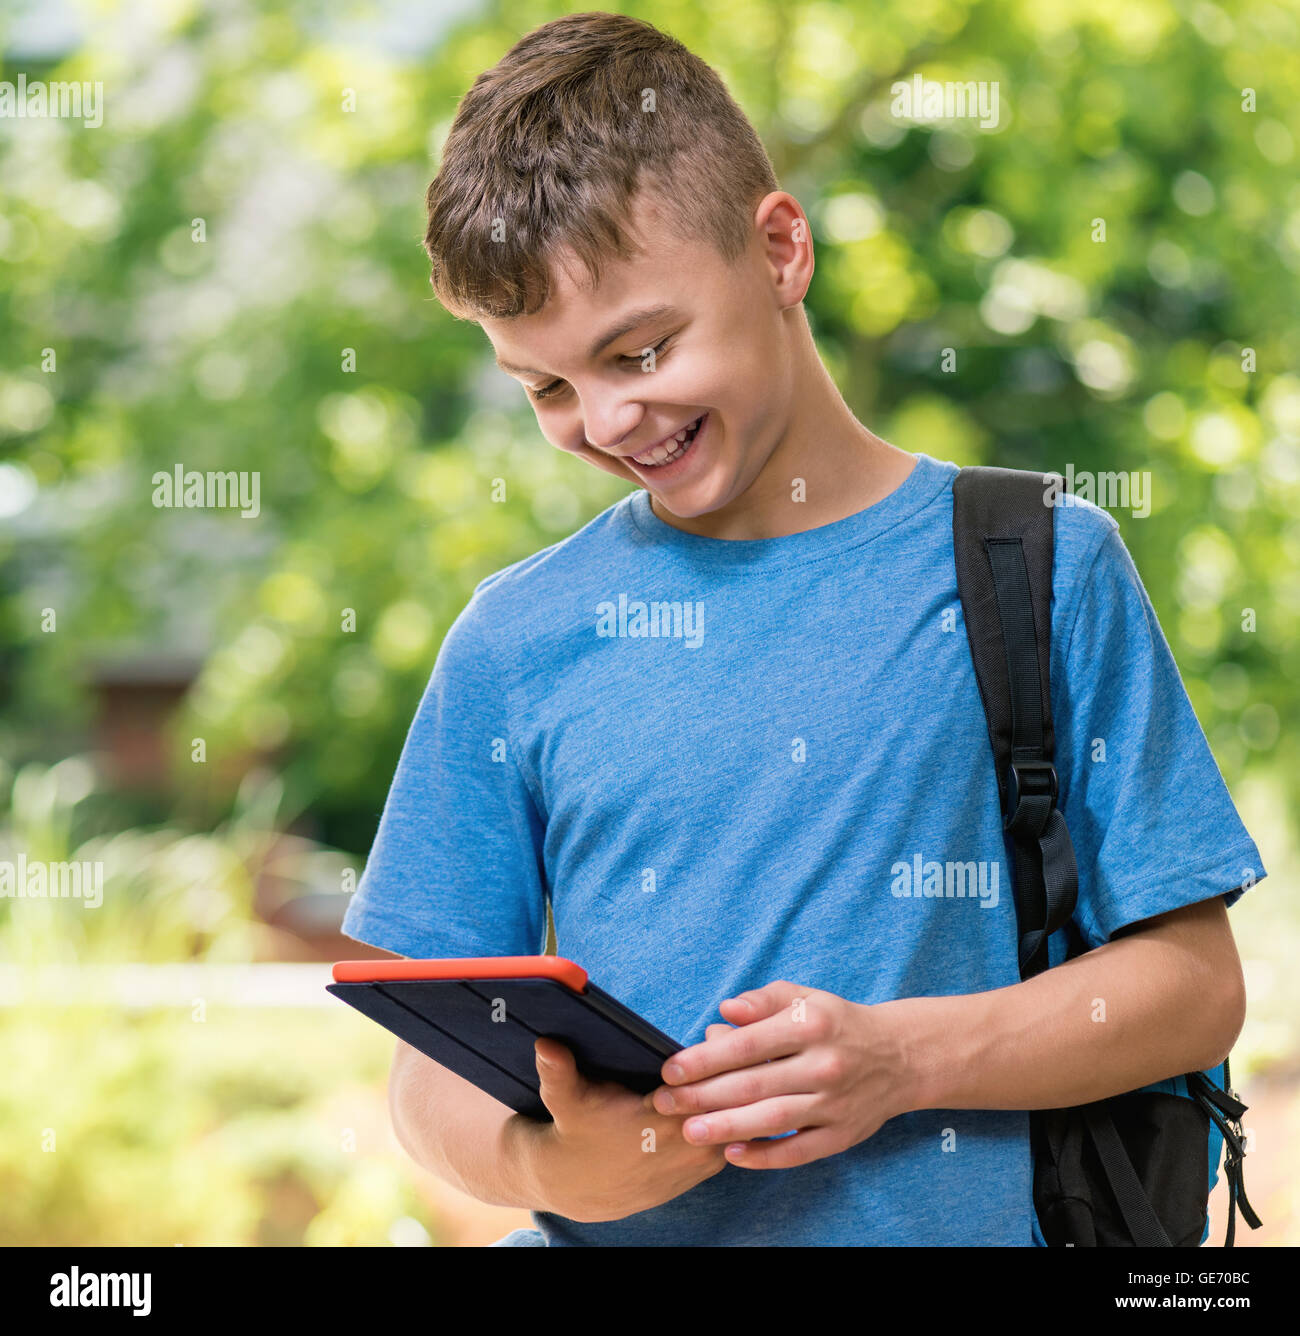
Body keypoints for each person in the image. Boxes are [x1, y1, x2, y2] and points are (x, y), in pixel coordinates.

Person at [341, 12, 1265, 1246]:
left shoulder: (1039, 563)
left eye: (640, 348)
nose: (607, 419)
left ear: (779, 249)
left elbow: (1196, 989)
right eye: (547, 386)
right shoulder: (516, 641)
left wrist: (900, 1057)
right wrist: (548, 1165)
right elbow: (425, 1068)